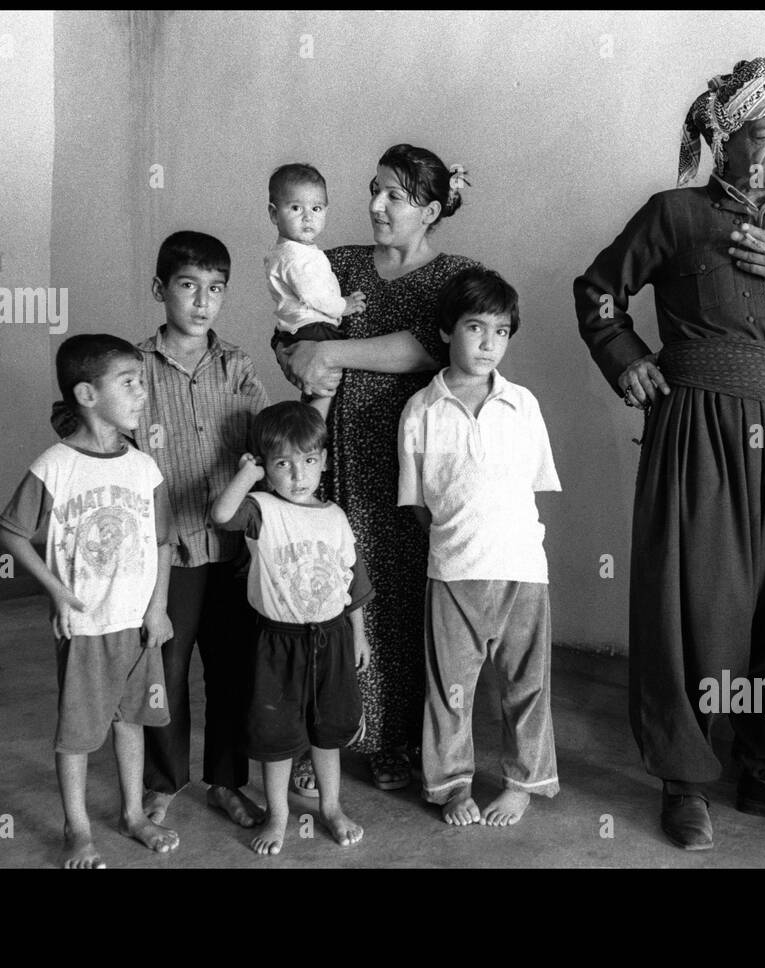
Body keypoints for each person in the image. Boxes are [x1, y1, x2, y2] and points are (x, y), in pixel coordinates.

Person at [574, 58, 765, 851]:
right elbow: (598, 290)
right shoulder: (673, 214)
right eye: (763, 134)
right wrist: (626, 356)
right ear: (724, 139)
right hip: (697, 427)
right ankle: (686, 781)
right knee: (698, 604)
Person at [274, 144, 479, 795]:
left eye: (394, 195)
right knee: (326, 599)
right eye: (373, 190)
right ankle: (323, 739)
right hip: (332, 459)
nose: (375, 205)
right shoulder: (336, 263)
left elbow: (428, 347)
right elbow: (291, 340)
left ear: (431, 207)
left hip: (413, 469)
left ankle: (395, 742)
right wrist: (306, 356)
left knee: (399, 600)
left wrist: (331, 351)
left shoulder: (456, 278)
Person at [52, 230, 270, 830]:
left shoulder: (239, 366)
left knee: (230, 671)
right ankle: (163, 784)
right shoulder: (134, 368)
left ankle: (227, 782)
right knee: (162, 672)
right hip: (161, 554)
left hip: (231, 547)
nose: (203, 302)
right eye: (188, 286)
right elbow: (95, 439)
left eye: (216, 289)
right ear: (160, 290)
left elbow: (268, 445)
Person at [0, 334, 179, 869]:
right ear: (87, 393)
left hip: (138, 624)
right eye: (129, 383)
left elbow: (164, 541)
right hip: (87, 627)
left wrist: (159, 607)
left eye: (142, 382)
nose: (142, 393)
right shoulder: (56, 465)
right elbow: (10, 531)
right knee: (77, 735)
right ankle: (75, 829)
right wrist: (56, 591)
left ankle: (132, 814)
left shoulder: (144, 467)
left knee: (131, 721)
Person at [398, 267, 561, 827]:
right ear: (447, 330)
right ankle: (450, 786)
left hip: (522, 569)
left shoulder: (524, 405)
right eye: (475, 327)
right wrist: (456, 545)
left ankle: (522, 783)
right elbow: (419, 503)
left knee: (527, 686)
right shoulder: (420, 411)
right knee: (451, 691)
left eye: (501, 331)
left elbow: (533, 489)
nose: (489, 342)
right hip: (453, 572)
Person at [210, 401, 371, 854]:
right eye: (283, 464)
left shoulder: (335, 516)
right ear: (266, 467)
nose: (298, 475)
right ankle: (278, 814)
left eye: (308, 461)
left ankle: (332, 807)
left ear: (323, 461)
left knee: (327, 730)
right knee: (275, 736)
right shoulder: (261, 508)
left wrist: (359, 634)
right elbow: (221, 516)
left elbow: (352, 580)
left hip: (333, 637)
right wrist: (247, 475)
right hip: (278, 643)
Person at [264, 163, 367, 419]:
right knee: (326, 379)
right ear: (274, 214)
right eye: (296, 208)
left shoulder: (295, 251)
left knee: (322, 382)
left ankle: (313, 421)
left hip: (300, 329)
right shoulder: (296, 257)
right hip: (313, 327)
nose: (308, 217)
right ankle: (315, 426)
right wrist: (344, 305)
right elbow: (315, 296)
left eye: (316, 208)